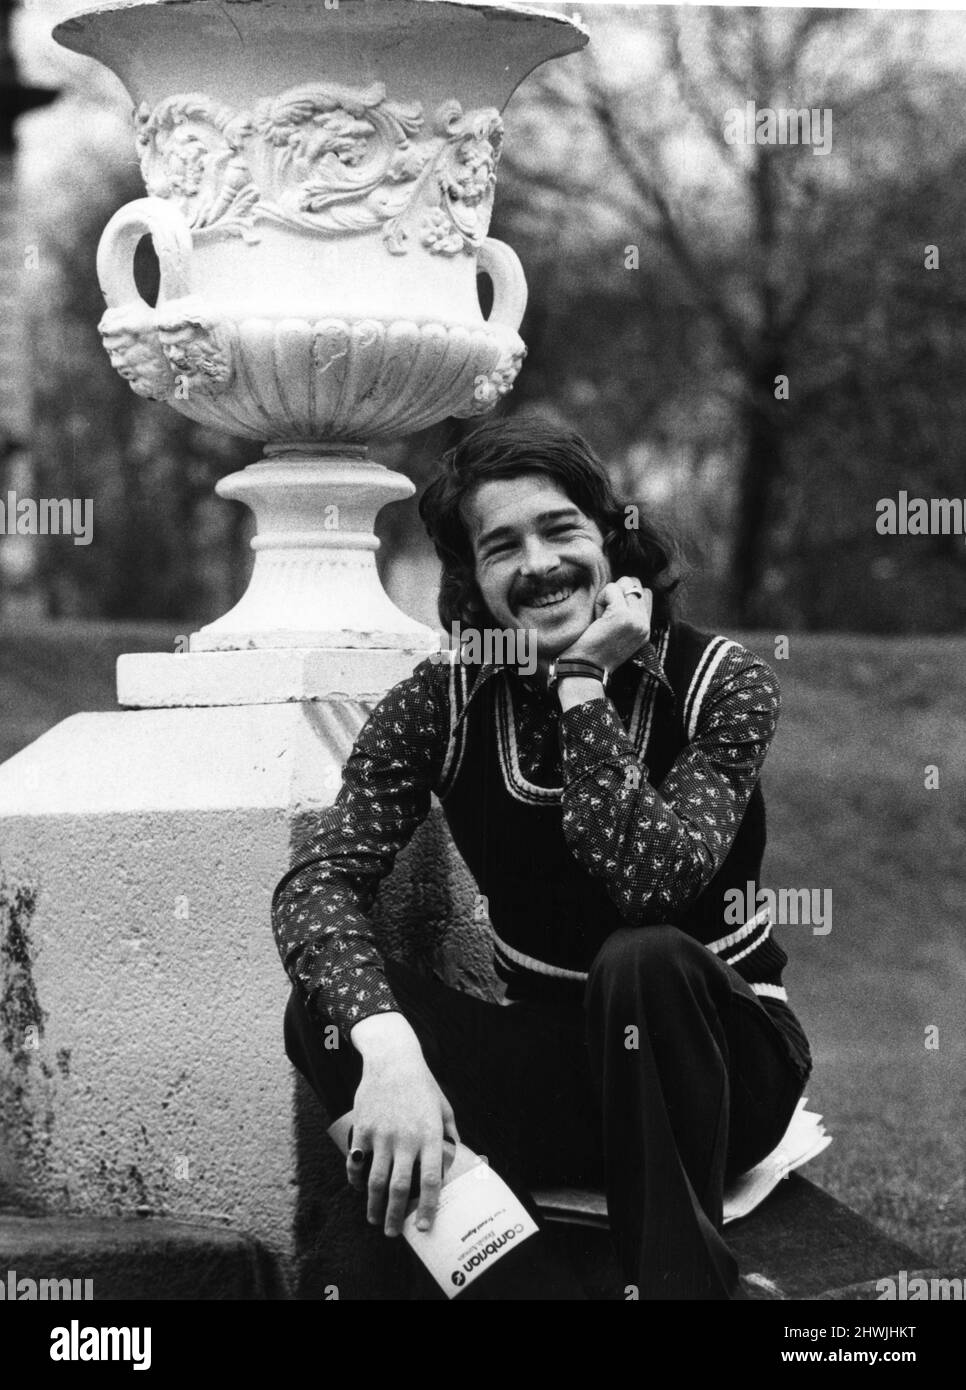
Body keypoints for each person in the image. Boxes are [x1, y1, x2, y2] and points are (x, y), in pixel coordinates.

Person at [271, 417, 813, 1300]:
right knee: (323, 1016)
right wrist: (392, 1050)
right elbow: (317, 883)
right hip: (558, 1072)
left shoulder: (723, 682)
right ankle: (527, 1292)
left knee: (642, 957)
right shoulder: (439, 703)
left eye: (560, 530)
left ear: (611, 535)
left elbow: (651, 884)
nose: (539, 565)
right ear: (471, 579)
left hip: (716, 1067)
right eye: (501, 547)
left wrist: (582, 683)